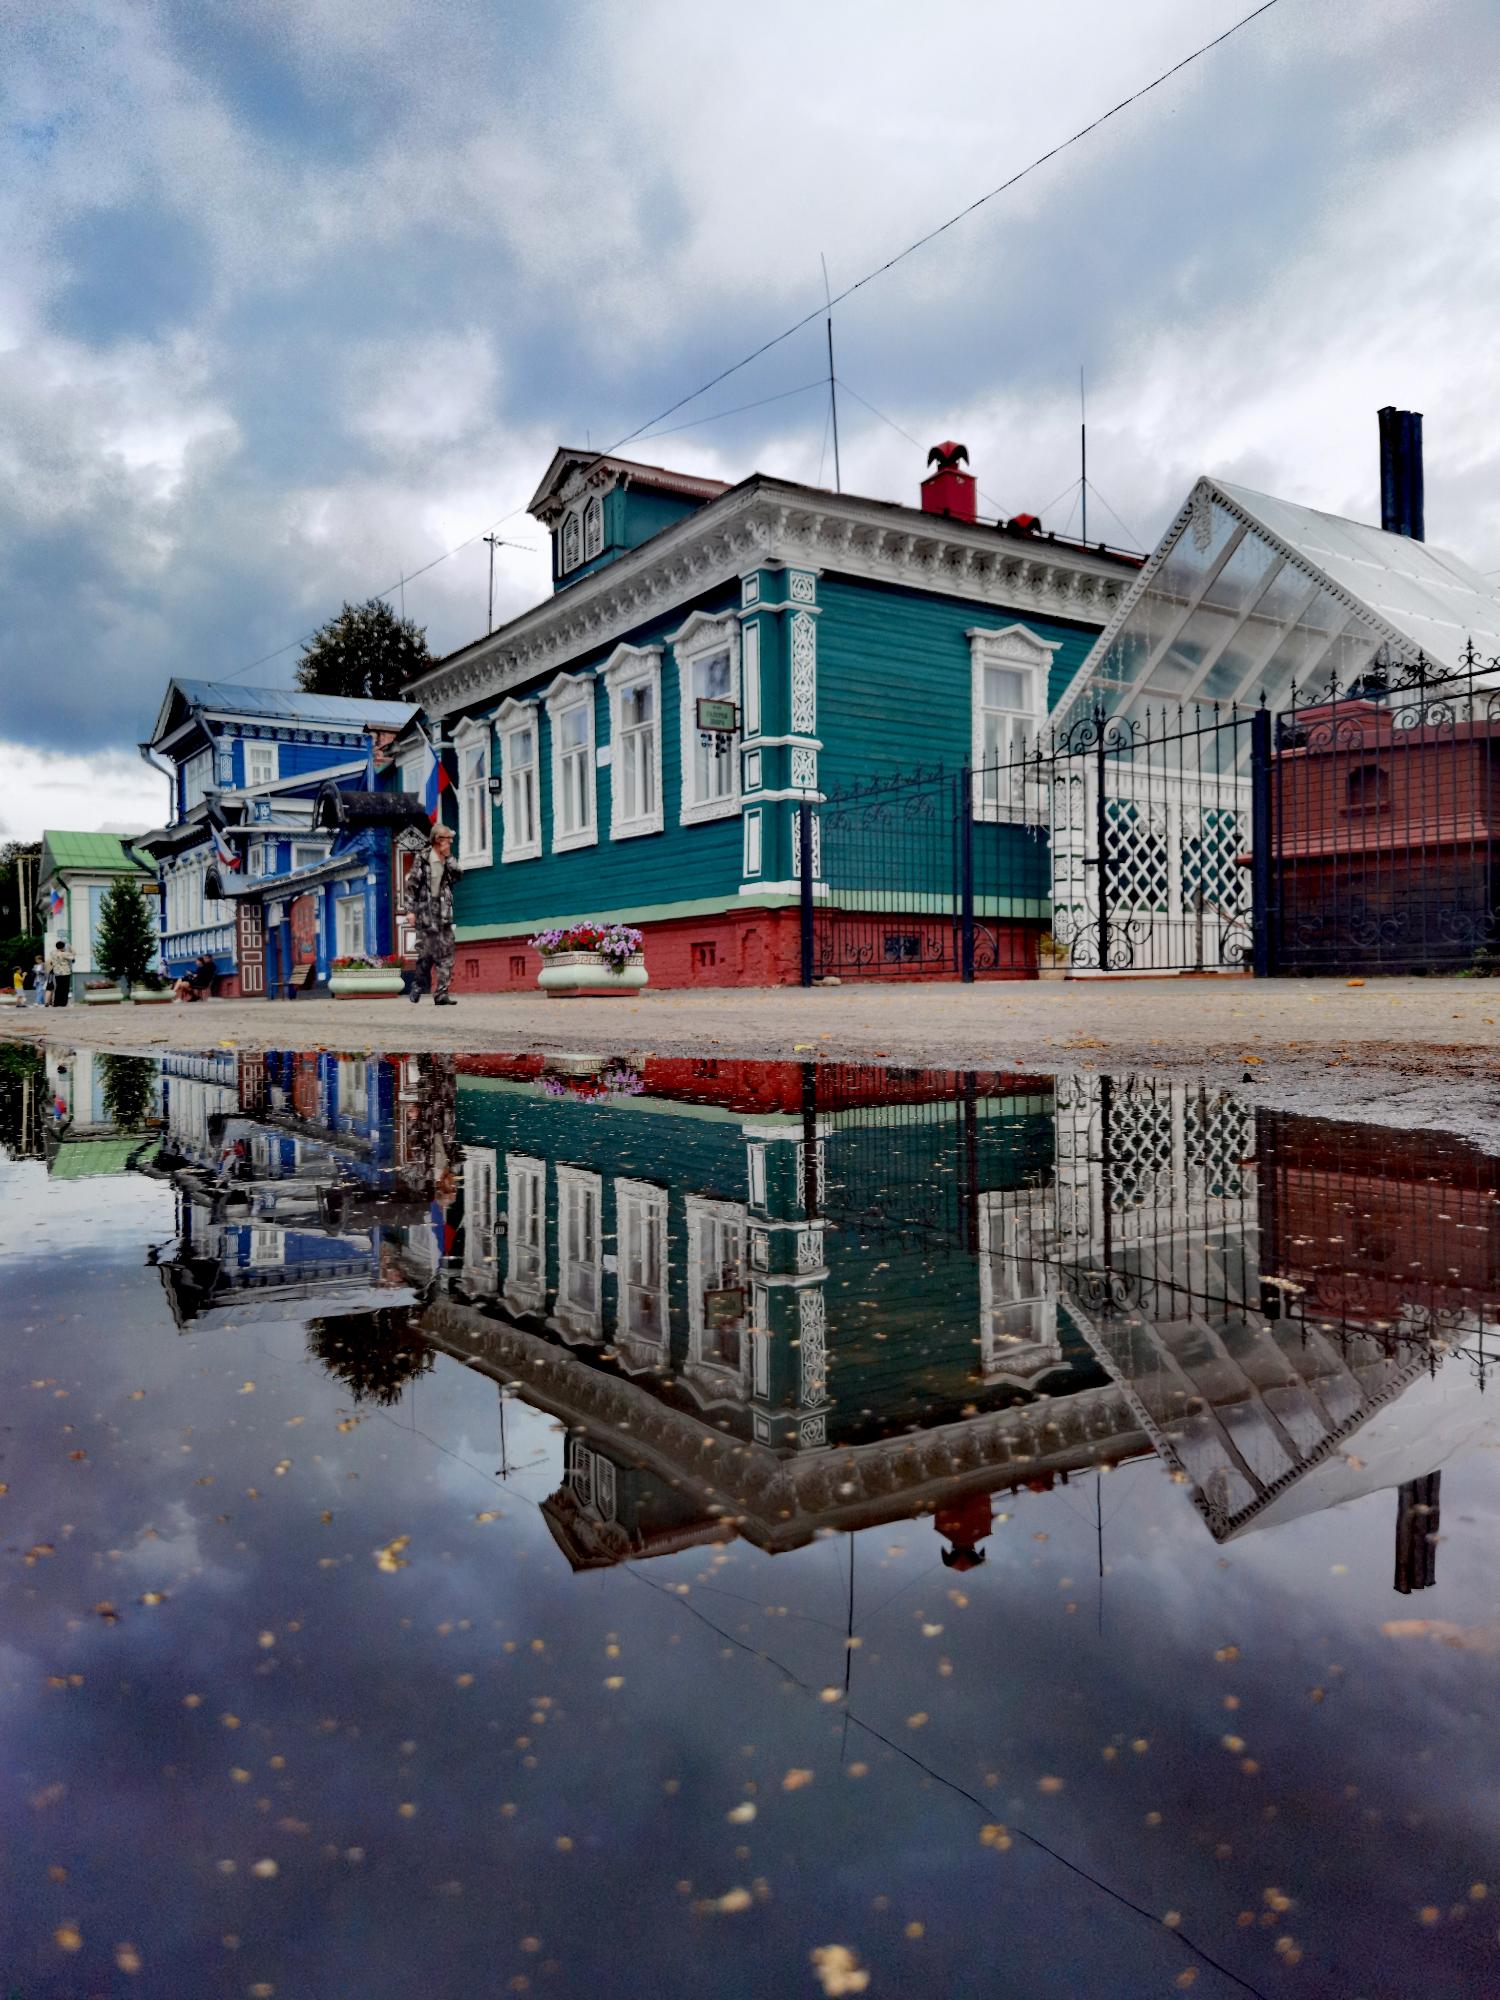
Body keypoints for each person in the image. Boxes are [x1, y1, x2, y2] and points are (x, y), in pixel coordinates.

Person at [404, 826, 458, 1006]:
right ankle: (418, 984)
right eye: (446, 838)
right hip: (425, 910)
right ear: (437, 839)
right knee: (427, 953)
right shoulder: (423, 858)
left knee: (447, 953)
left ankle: (441, 994)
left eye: (450, 839)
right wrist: (410, 911)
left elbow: (458, 876)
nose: (450, 841)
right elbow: (412, 885)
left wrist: (448, 858)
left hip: (443, 911)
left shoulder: (448, 859)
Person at [47, 936, 75, 1008]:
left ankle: (56, 1002)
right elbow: (73, 955)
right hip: (65, 972)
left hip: (57, 972)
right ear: (63, 947)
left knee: (58, 988)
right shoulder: (64, 954)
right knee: (65, 988)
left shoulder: (52, 953)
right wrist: (70, 946)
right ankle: (63, 1003)